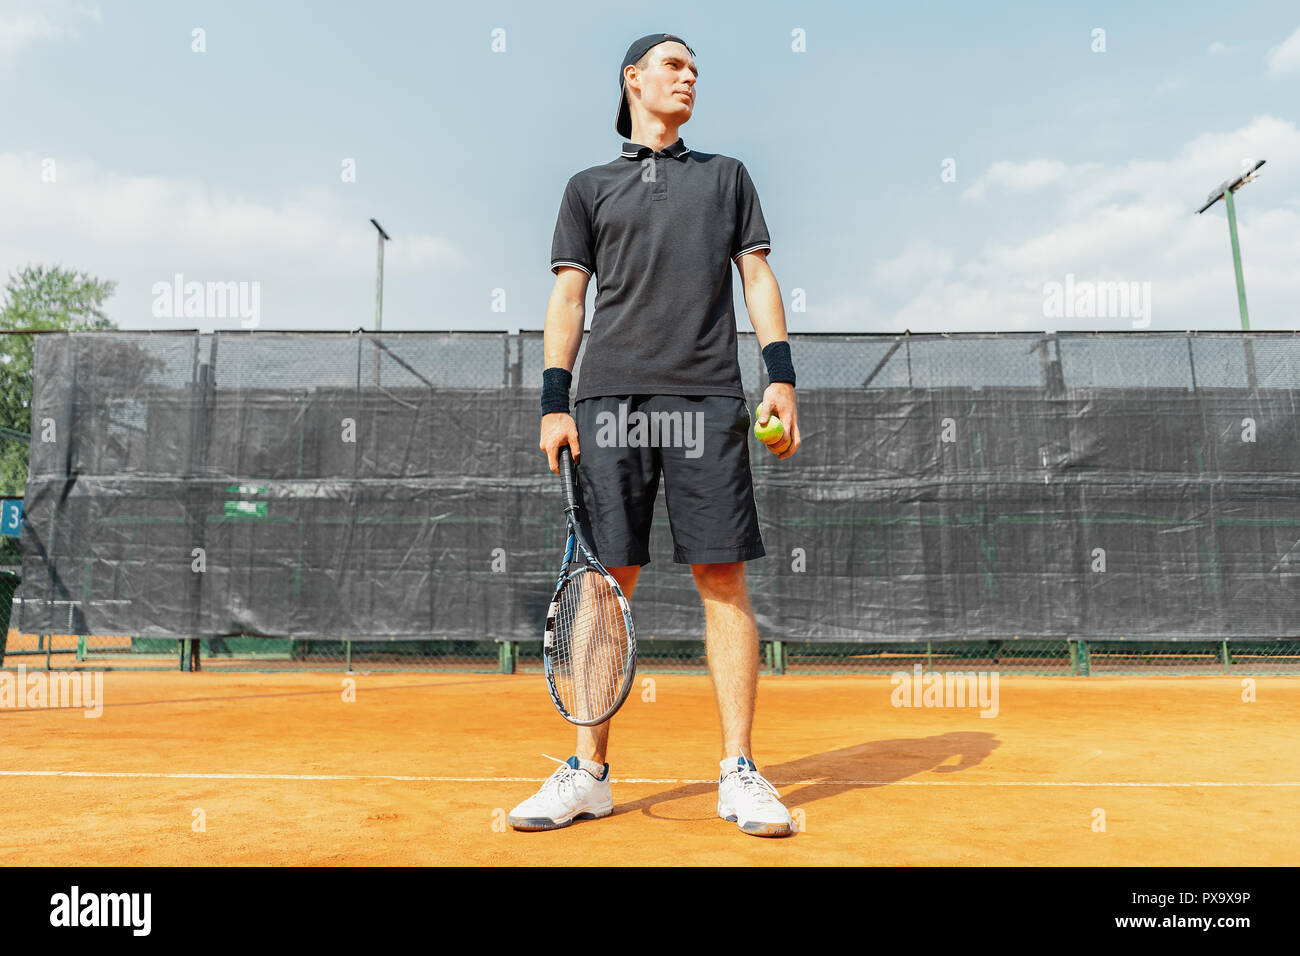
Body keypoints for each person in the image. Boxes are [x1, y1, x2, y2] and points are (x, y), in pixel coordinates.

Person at [510, 33, 801, 838]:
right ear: (632, 79)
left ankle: (740, 771)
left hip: (709, 399)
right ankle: (588, 773)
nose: (690, 78)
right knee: (608, 586)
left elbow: (757, 276)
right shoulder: (587, 186)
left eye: (697, 70)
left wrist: (779, 375)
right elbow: (568, 301)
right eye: (675, 66)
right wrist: (553, 402)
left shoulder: (727, 177)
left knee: (722, 577)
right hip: (608, 403)